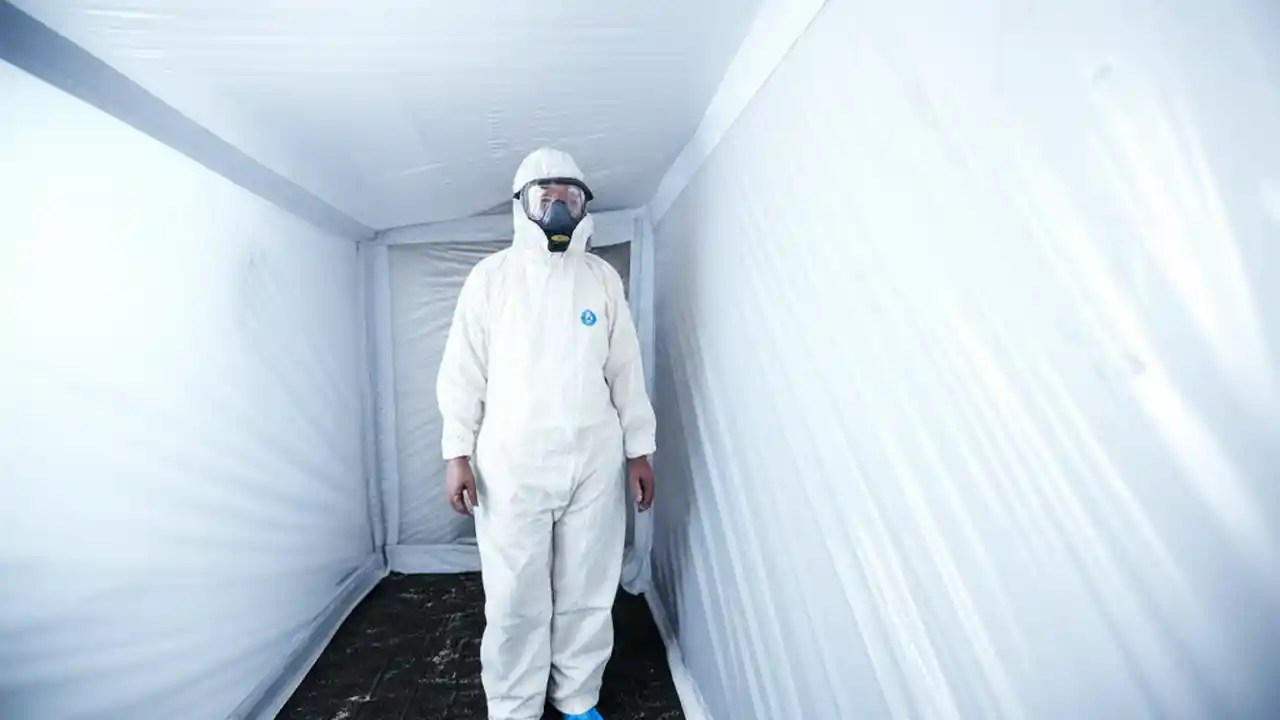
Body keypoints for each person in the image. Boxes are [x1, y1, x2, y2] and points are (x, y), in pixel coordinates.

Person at [436, 147, 657, 720]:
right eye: (545, 197)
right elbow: (463, 370)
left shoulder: (600, 280)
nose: (558, 208)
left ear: (584, 207)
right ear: (522, 205)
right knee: (516, 596)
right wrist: (457, 453)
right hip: (512, 464)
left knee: (588, 588)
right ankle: (515, 707)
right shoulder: (492, 280)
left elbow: (625, 369)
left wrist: (639, 451)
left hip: (594, 460)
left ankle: (578, 699)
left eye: (570, 197)